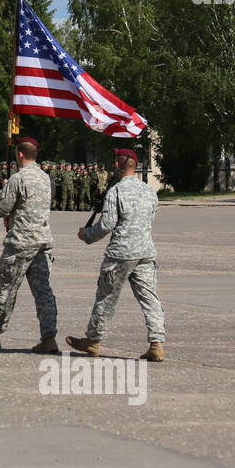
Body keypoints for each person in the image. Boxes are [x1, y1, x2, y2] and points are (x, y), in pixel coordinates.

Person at [67, 148, 166, 362]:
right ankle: (156, 344)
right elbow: (150, 219)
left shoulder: (116, 192)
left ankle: (93, 341)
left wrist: (87, 235)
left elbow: (107, 224)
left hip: (121, 253)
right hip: (146, 252)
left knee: (105, 297)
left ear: (120, 165)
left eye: (115, 163)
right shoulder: (149, 191)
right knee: (150, 299)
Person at [0, 137, 58, 353]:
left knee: (7, 289)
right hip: (42, 242)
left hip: (21, 242)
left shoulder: (17, 179)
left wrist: (4, 189)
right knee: (43, 292)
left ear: (20, 154)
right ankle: (49, 337)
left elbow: (2, 208)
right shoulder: (46, 179)